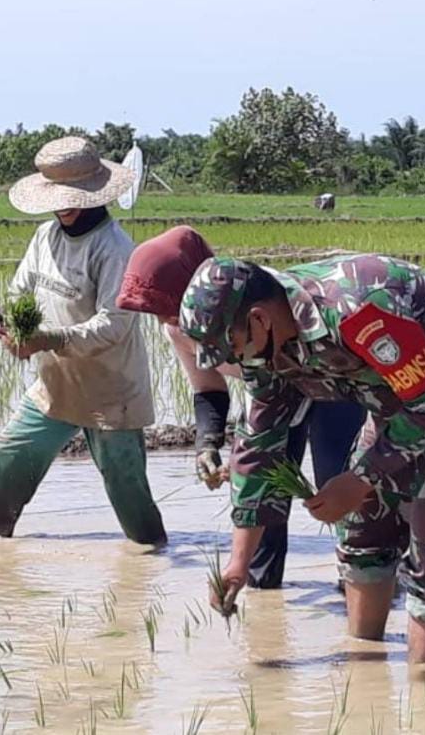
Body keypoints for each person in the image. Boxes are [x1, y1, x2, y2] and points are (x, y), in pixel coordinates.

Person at [180, 254, 425, 663]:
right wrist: (239, 562)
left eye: (231, 346)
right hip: (395, 393)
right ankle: (364, 665)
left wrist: (360, 479)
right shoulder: (261, 347)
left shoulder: (358, 312)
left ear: (258, 319)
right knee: (363, 522)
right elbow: (259, 444)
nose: (234, 360)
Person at [116, 225, 365, 587]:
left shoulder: (248, 310)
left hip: (328, 384)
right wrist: (208, 444)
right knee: (263, 490)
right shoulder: (175, 329)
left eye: (166, 307)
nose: (164, 320)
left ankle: (362, 579)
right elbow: (208, 389)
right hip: (270, 397)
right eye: (153, 312)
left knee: (337, 481)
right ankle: (261, 594)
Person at [0, 136, 166, 545]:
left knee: (129, 495)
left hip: (110, 390)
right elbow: (20, 292)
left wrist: (48, 339)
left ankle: (151, 564)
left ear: (96, 193)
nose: (65, 205)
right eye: (58, 196)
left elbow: (115, 325)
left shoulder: (115, 249)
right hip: (55, 386)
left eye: (75, 196)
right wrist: (8, 321)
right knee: (6, 456)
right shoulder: (45, 237)